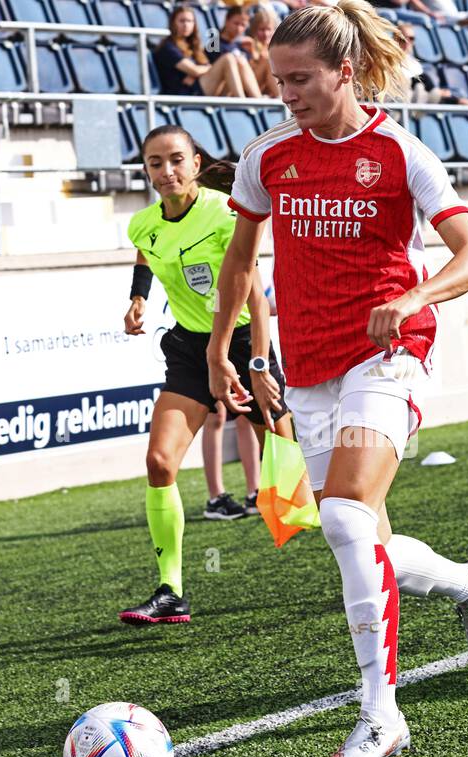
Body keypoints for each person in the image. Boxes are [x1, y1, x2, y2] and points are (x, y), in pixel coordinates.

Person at [208, 0, 468, 757]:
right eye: (278, 80)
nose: (287, 93)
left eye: (301, 79)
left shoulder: (402, 153)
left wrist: (413, 298)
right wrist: (223, 348)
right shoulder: (267, 157)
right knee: (362, 539)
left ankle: (382, 715)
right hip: (306, 368)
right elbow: (241, 260)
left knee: (339, 514)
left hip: (389, 353)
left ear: (345, 72)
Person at [119, 124, 294, 626]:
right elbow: (147, 250)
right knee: (159, 462)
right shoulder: (142, 224)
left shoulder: (225, 213)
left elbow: (257, 300)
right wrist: (137, 299)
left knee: (294, 496)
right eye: (155, 163)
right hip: (190, 351)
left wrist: (258, 365)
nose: (166, 171)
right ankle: (171, 589)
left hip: (243, 343)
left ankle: (367, 561)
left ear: (196, 163)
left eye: (176, 159)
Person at [153, 5, 264, 98]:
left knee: (242, 60)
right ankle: (243, 102)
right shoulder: (168, 46)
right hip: (185, 93)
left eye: (190, 21)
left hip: (201, 87)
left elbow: (202, 68)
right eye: (182, 21)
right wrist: (202, 71)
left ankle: (258, 101)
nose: (186, 25)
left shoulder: (193, 45)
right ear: (173, 23)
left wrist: (201, 71)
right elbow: (195, 70)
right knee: (229, 58)